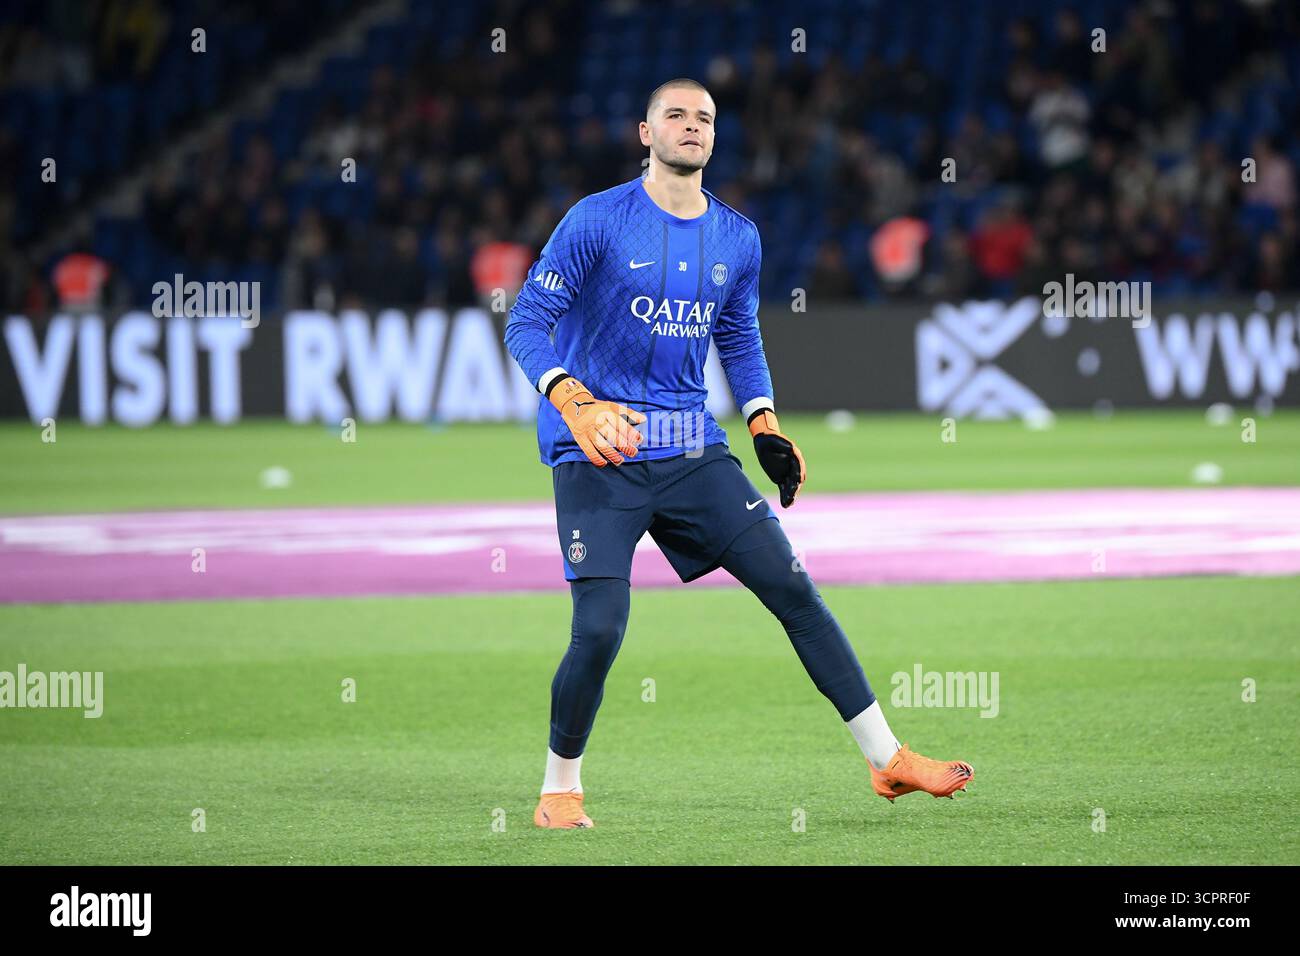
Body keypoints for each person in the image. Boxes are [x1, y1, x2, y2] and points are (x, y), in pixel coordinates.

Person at [504, 78, 973, 829]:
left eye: (705, 118)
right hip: (598, 450)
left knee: (793, 587)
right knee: (600, 628)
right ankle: (559, 788)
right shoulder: (595, 220)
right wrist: (572, 399)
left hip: (693, 450)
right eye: (675, 116)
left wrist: (763, 424)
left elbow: (737, 336)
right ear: (645, 132)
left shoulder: (737, 237)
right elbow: (526, 320)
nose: (691, 126)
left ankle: (887, 758)